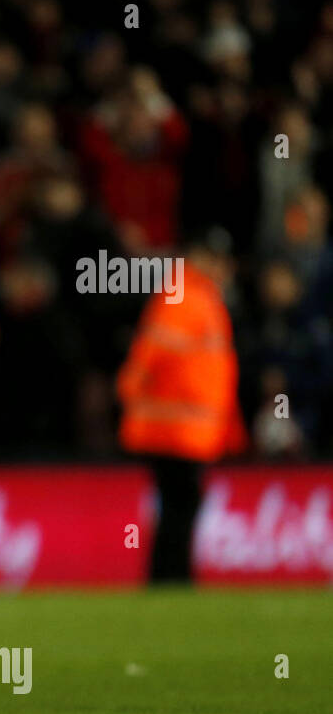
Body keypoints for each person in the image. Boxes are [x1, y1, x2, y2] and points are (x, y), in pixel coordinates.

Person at [116, 236, 247, 583]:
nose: (224, 269)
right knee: (181, 506)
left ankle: (170, 577)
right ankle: (172, 578)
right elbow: (154, 353)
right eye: (217, 259)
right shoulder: (186, 294)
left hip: (182, 426)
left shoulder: (194, 294)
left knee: (177, 505)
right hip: (175, 428)